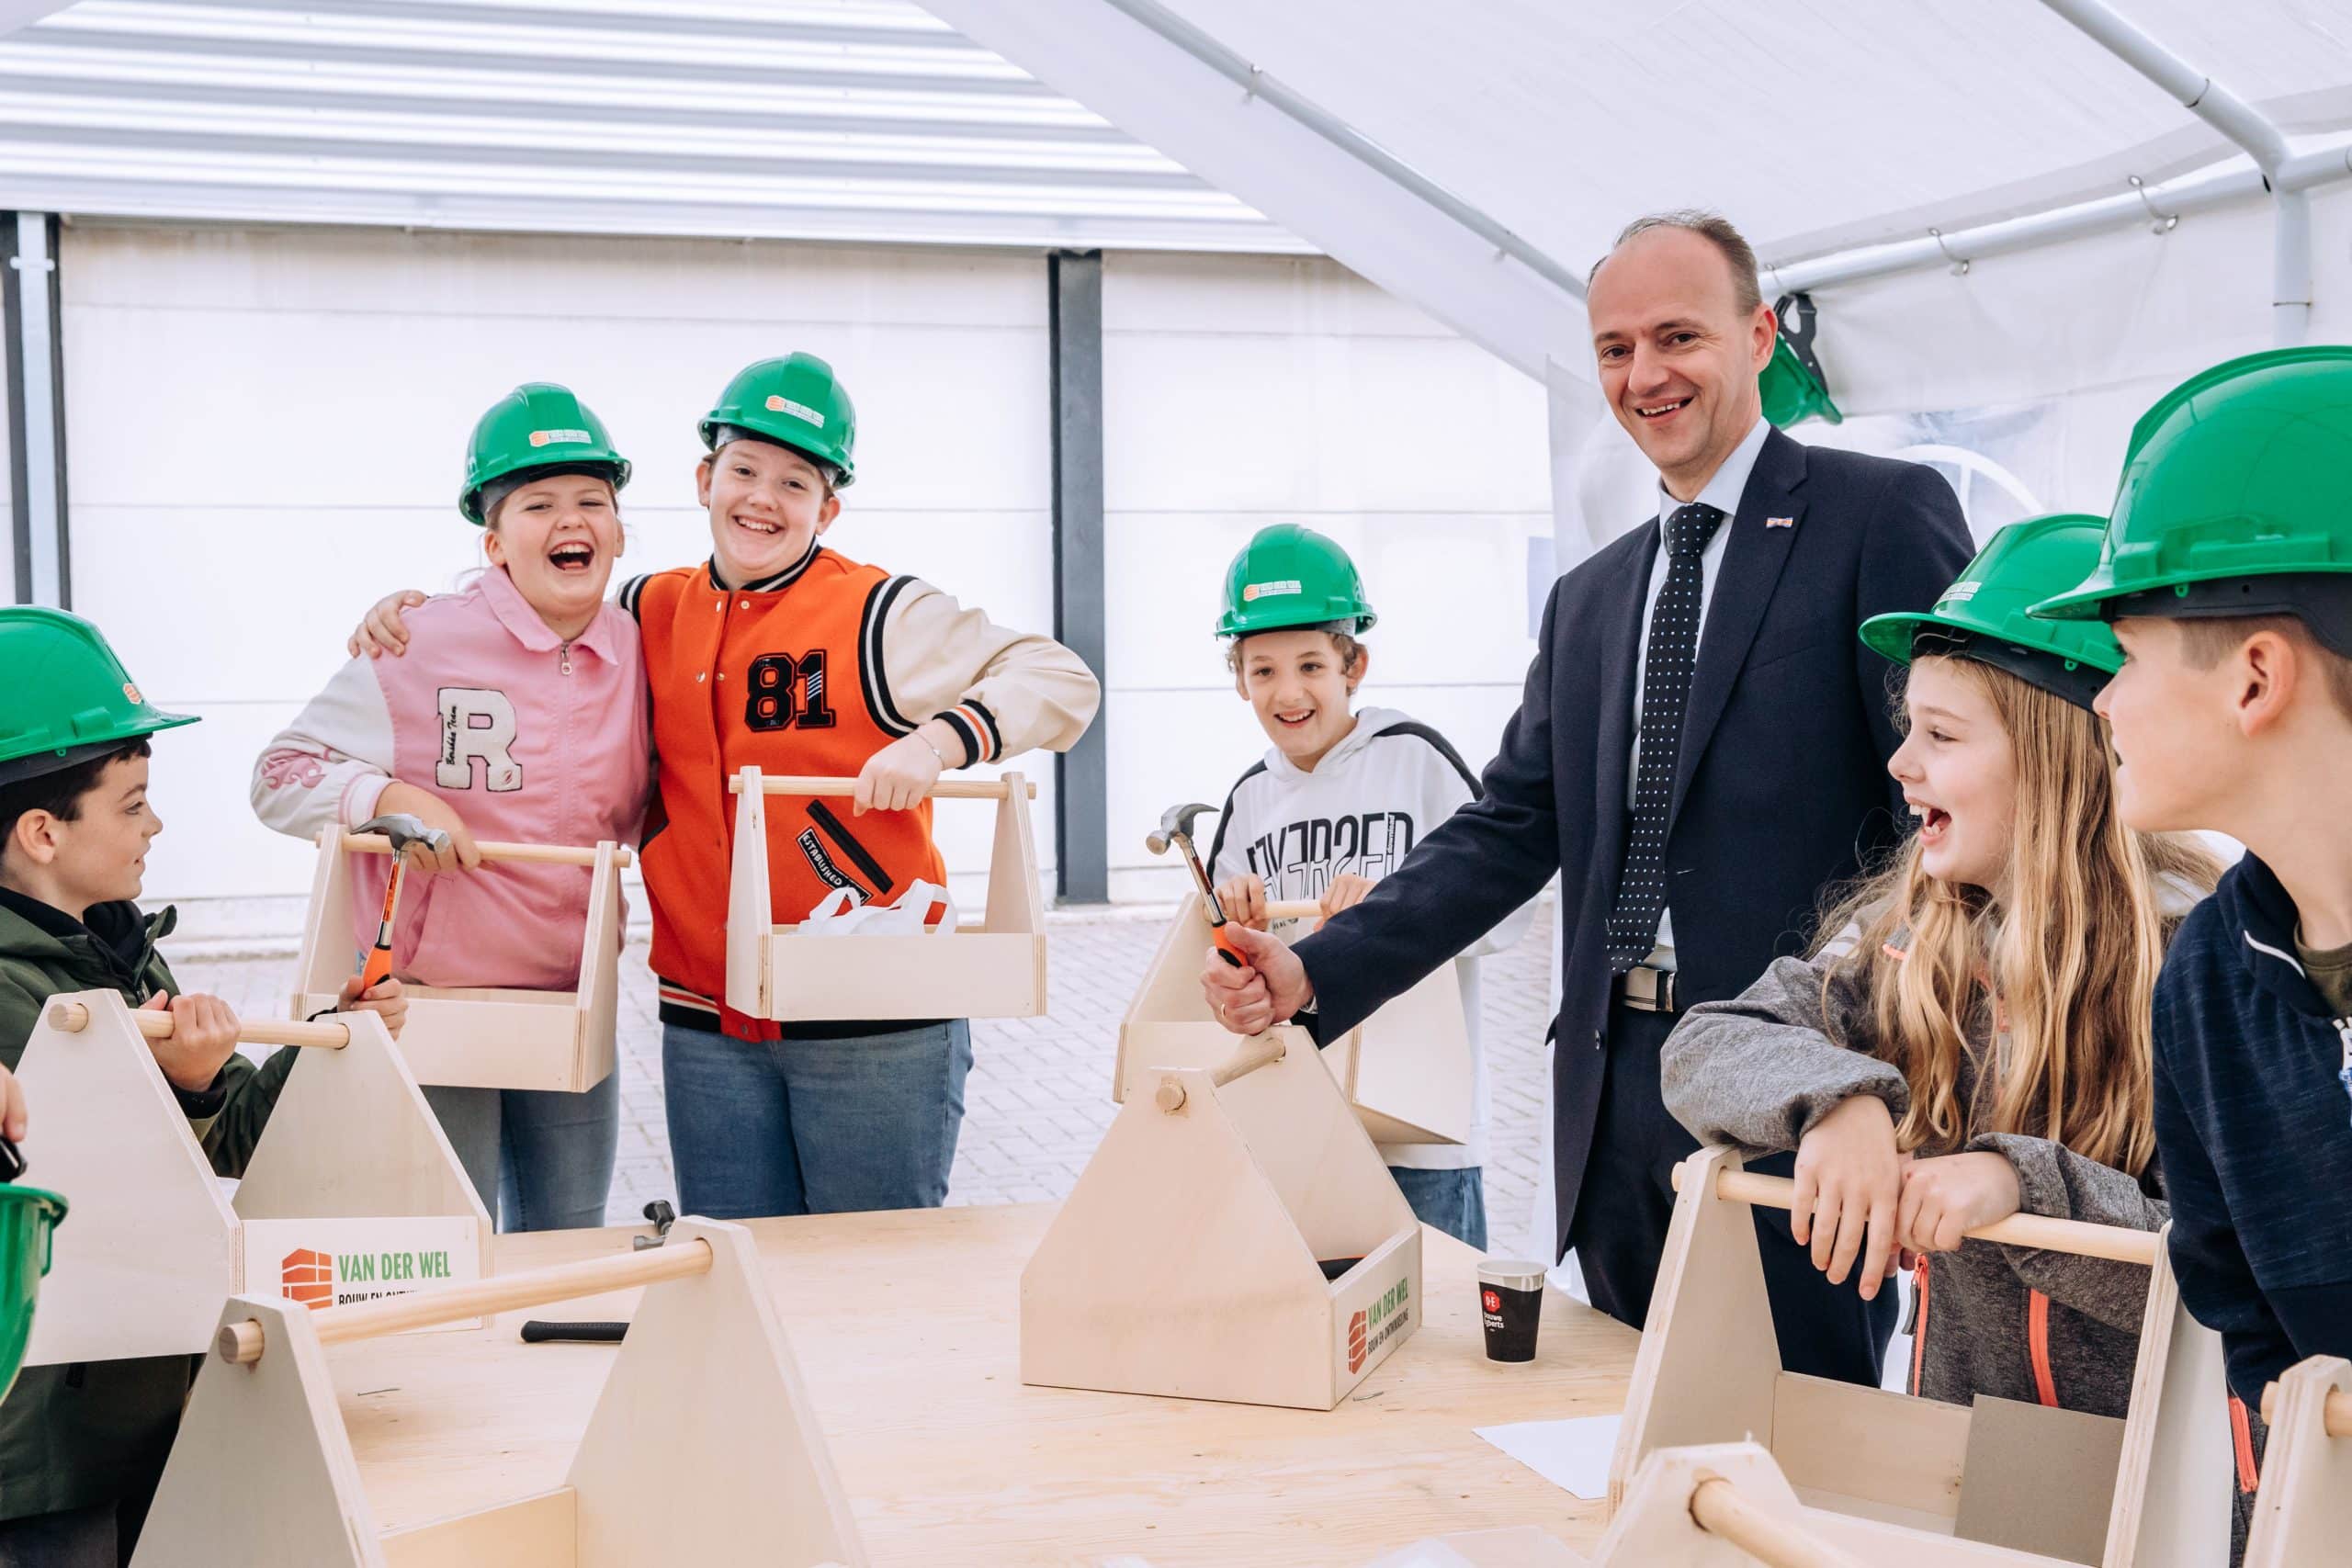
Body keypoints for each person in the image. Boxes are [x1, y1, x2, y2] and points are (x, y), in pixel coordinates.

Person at [1203, 209, 1973, 1386]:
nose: (1644, 375)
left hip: (1795, 1090)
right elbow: (1513, 824)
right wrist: (1320, 968)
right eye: (1615, 349)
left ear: (1759, 334)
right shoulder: (1591, 598)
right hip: (1613, 1089)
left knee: (1805, 1432)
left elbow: (1945, 817)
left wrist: (1876, 1070)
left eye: (1677, 337)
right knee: (1624, 1417)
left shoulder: (1879, 515)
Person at [350, 353, 1100, 1219]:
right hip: (708, 1033)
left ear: (830, 506)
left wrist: (939, 741)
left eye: (795, 481)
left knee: (877, 1288)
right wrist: (415, 611)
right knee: (742, 1286)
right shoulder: (644, 610)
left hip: (873, 1023)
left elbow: (1061, 677)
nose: (762, 498)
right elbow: (526, 604)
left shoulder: (878, 614)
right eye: (743, 469)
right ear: (705, 478)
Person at [1661, 515, 2218, 1424]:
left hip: (2167, 1484)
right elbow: (1705, 1046)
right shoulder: (1910, 936)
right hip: (1964, 1455)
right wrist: (1840, 1101)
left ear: (2056, 760)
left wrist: (2018, 1186)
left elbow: (2228, 1262)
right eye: (1906, 728)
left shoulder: (2197, 960)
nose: (1899, 764)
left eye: (1942, 737)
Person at [0, 606, 404, 1564]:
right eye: (133, 802)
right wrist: (170, 1088)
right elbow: (69, 1190)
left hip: (147, 1406)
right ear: (43, 832)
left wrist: (328, 1035)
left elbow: (231, 1140)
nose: (158, 823)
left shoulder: (121, 948)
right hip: (42, 1446)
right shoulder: (17, 987)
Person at [2030, 344, 2352, 1514]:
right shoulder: (2211, 977)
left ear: (2254, 677)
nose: (2102, 702)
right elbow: (2255, 1346)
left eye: (2121, 657)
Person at [254, 383, 650, 1233]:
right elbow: (277, 774)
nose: (569, 520)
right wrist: (385, 797)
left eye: (592, 502)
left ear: (620, 532)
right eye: (537, 503)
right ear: (495, 541)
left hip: (573, 999)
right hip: (434, 999)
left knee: (570, 1236)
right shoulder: (416, 642)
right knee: (454, 1234)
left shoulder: (647, 644)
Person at [1204, 524, 1533, 1247]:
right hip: (1299, 1129)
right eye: (1263, 671)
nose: (1288, 692)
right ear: (1239, 680)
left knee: (1437, 1338)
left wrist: (1389, 906)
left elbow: (1509, 912)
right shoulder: (1248, 802)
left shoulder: (1414, 758)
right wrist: (1234, 936)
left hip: (1424, 1136)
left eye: (1312, 665)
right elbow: (1228, 979)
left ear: (1354, 665)